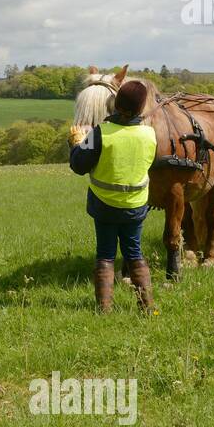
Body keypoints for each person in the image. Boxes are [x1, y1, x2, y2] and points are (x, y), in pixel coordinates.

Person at [69, 79, 158, 313]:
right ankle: (147, 306)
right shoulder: (149, 134)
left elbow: (79, 165)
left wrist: (76, 144)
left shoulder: (100, 133)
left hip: (105, 205)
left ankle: (104, 309)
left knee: (106, 254)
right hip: (136, 206)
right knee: (134, 252)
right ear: (140, 109)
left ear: (115, 104)